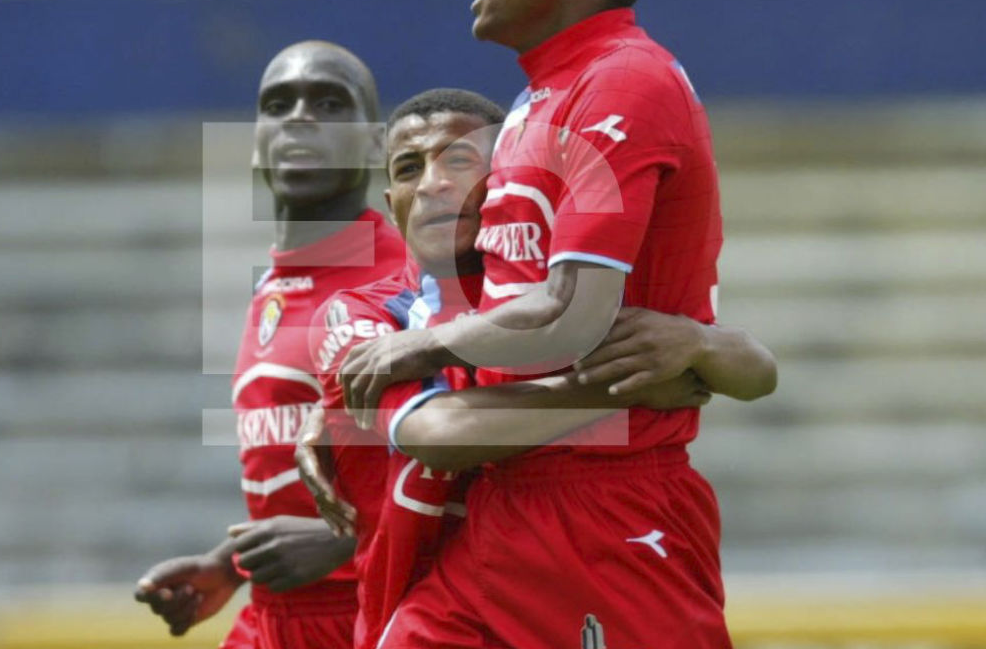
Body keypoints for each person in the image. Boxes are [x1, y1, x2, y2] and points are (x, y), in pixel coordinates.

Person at [339, 0, 769, 647]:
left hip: (606, 514)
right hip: (506, 500)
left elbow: (573, 311)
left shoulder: (624, 80)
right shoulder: (538, 99)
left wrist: (423, 346)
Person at [305, 89, 773, 649]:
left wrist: (696, 343)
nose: (432, 184)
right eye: (409, 168)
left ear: (508, 181)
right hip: (429, 604)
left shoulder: (564, 296)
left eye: (459, 160)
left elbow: (758, 372)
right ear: (391, 202)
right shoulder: (362, 316)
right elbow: (442, 434)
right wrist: (625, 390)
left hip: (592, 563)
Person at [134, 40, 406, 648]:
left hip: (371, 616)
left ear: (375, 143)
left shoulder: (408, 284)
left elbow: (480, 474)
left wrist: (348, 542)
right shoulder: (276, 284)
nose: (300, 118)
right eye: (278, 105)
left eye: (330, 103)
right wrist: (233, 563)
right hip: (272, 619)